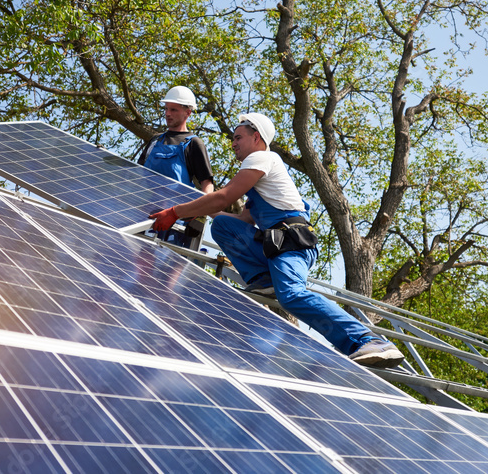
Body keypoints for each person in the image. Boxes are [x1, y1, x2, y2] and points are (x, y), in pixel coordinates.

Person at [148, 112, 404, 368]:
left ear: (256, 137)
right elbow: (241, 219)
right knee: (224, 226)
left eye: (238, 137)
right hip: (277, 245)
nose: (233, 143)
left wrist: (175, 212)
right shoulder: (261, 175)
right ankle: (264, 279)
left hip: (292, 244)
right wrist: (195, 206)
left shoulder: (262, 158)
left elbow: (223, 197)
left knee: (291, 294)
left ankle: (367, 341)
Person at [138, 86, 214, 247]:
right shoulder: (155, 141)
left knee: (169, 270)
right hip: (143, 218)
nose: (167, 114)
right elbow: (136, 176)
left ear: (188, 112)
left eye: (173, 109)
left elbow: (208, 186)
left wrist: (198, 215)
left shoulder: (193, 144)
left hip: (176, 224)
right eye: (166, 109)